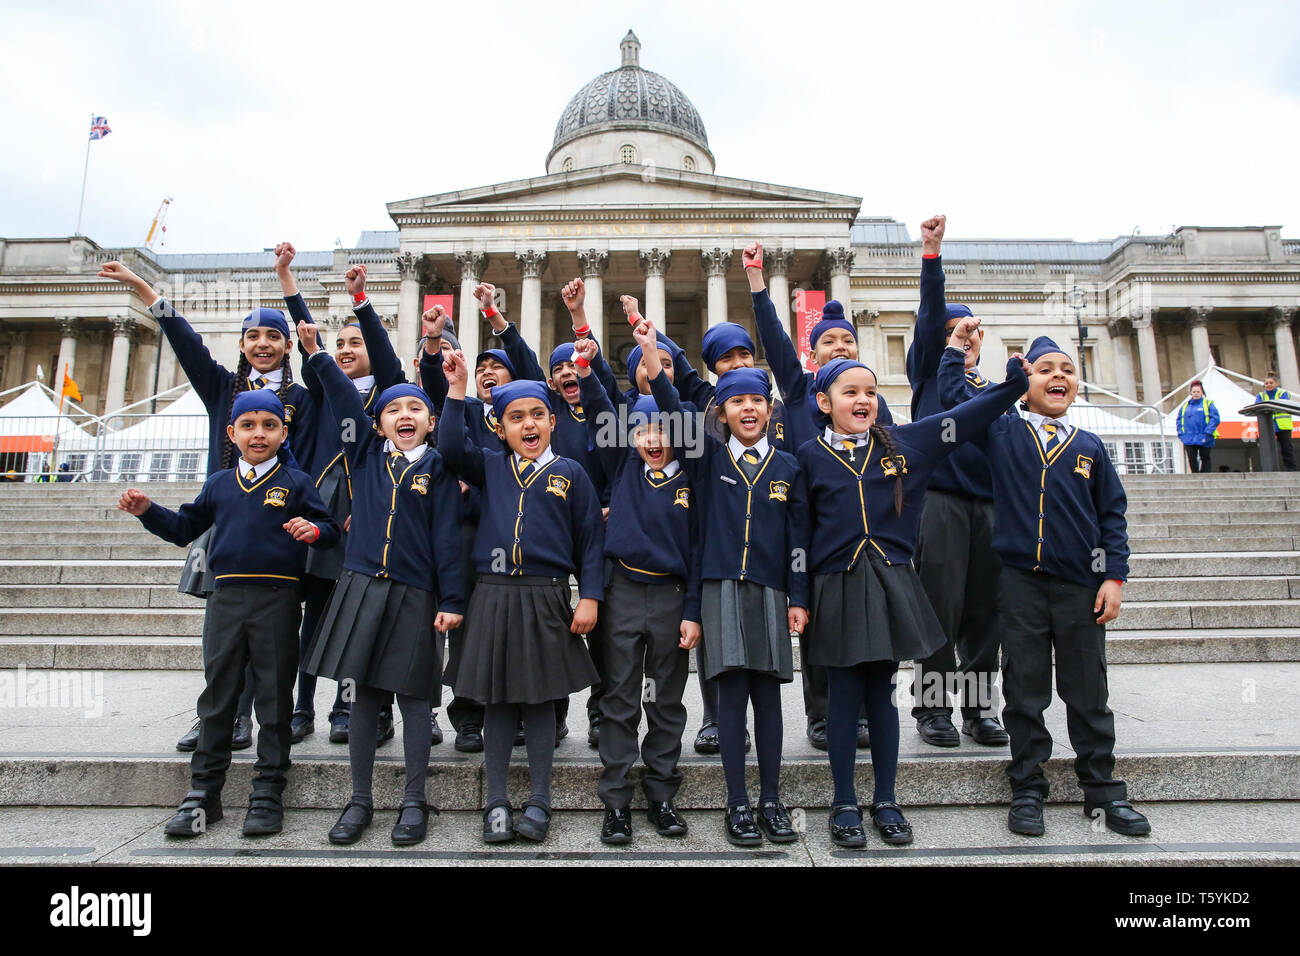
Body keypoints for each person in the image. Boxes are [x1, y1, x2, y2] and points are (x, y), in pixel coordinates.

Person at [802, 353, 1030, 847]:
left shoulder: (906, 445)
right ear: (823, 402)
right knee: (841, 697)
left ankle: (885, 799)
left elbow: (965, 417)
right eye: (850, 392)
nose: (863, 400)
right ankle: (843, 801)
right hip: (834, 585)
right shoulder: (807, 455)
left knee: (881, 694)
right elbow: (797, 534)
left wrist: (1012, 385)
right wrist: (799, 598)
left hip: (890, 582)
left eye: (870, 391)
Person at [98, 259, 318, 755]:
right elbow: (186, 343)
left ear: (287, 346)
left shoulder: (303, 399)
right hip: (224, 518)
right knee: (221, 631)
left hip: (282, 526)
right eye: (254, 336)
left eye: (273, 336)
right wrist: (142, 289)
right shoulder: (223, 388)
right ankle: (224, 717)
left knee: (275, 633)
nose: (263, 344)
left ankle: (275, 719)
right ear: (241, 345)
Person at [939, 325, 1150, 838]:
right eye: (1045, 369)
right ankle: (1028, 788)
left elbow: (1112, 516)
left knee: (1088, 691)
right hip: (1019, 583)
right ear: (1026, 378)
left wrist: (1113, 577)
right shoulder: (1003, 432)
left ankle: (1102, 791)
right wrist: (959, 352)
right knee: (1025, 691)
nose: (1059, 376)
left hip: (1081, 586)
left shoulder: (1091, 446)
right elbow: (951, 402)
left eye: (1068, 370)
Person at [117, 390, 338, 838]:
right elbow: (184, 529)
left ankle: (267, 793)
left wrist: (313, 530)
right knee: (218, 699)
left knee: (275, 700)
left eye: (269, 425)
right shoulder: (219, 484)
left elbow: (329, 530)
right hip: (226, 599)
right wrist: (148, 512)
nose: (259, 434)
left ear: (283, 432)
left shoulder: (296, 482)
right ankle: (203, 796)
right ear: (232, 432)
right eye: (249, 425)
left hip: (277, 599)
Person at [297, 324, 464, 847]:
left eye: (414, 409)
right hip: (362, 587)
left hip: (417, 594)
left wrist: (453, 599)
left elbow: (448, 540)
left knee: (416, 702)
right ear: (378, 424)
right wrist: (319, 356)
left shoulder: (439, 467)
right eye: (392, 410)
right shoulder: (364, 456)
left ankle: (414, 801)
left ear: (430, 421)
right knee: (364, 698)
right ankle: (360, 799)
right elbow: (346, 399)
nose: (404, 417)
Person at [438, 355, 603, 844]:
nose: (527, 424)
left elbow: (591, 541)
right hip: (491, 595)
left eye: (536, 414)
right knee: (495, 701)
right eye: (516, 417)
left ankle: (540, 800)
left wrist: (588, 597)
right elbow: (448, 445)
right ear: (499, 426)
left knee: (539, 703)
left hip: (546, 596)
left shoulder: (572, 473)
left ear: (552, 421)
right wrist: (456, 389)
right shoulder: (490, 467)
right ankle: (495, 801)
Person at [743, 241, 884, 751]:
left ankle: (867, 712)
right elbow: (776, 338)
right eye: (830, 342)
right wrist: (758, 281)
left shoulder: (868, 402)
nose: (841, 347)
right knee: (820, 628)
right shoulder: (801, 392)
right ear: (814, 351)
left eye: (848, 340)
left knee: (867, 624)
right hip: (805, 528)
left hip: (859, 529)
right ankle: (822, 714)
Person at [665, 358, 808, 847]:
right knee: (730, 698)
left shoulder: (789, 466)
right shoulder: (707, 459)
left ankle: (771, 798)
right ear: (721, 413)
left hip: (770, 590)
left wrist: (799, 597)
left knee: (769, 698)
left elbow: (798, 539)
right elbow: (671, 407)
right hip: (719, 588)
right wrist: (649, 352)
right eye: (736, 402)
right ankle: (737, 801)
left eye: (756, 401)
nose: (748, 409)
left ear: (769, 409)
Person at [576, 303, 699, 844]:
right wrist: (584, 351)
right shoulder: (623, 462)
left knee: (666, 700)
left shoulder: (695, 468)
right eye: (641, 429)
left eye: (662, 430)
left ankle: (663, 795)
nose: (652, 438)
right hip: (624, 590)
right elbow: (603, 399)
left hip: (672, 595)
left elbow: (702, 551)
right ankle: (617, 801)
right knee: (620, 699)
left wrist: (693, 612)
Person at [276, 246, 404, 748]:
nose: (346, 348)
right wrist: (287, 278)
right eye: (340, 343)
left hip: (368, 520)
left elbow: (386, 354)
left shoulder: (392, 396)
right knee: (313, 614)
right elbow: (309, 337)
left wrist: (361, 301)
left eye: (356, 341)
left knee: (358, 619)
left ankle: (347, 707)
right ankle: (302, 705)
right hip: (323, 516)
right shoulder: (322, 391)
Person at [905, 215, 1014, 749]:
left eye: (971, 329)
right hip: (941, 502)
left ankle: (977, 707)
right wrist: (932, 254)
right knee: (940, 607)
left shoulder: (991, 389)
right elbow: (929, 317)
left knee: (982, 612)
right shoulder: (930, 371)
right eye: (955, 330)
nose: (965, 336)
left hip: (989, 506)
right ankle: (932, 709)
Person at [1175, 379, 1220, 473]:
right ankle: (1195, 475)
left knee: (1205, 457)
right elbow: (1179, 420)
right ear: (1191, 393)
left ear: (1202, 392)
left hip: (1204, 435)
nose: (1196, 393)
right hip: (1189, 436)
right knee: (1191, 457)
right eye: (1194, 392)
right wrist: (1181, 433)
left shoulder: (1208, 404)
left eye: (1198, 391)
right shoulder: (1184, 406)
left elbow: (1215, 419)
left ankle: (1205, 476)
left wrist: (1208, 432)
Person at [1256, 371, 1296, 471]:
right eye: (1266, 383)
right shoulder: (1260, 395)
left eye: (1271, 383)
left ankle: (1291, 470)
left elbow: (1283, 406)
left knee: (1287, 449)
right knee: (1267, 450)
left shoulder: (1283, 393)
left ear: (1276, 384)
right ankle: (1269, 470)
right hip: (1268, 426)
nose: (1268, 385)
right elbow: (1257, 407)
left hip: (1283, 426)